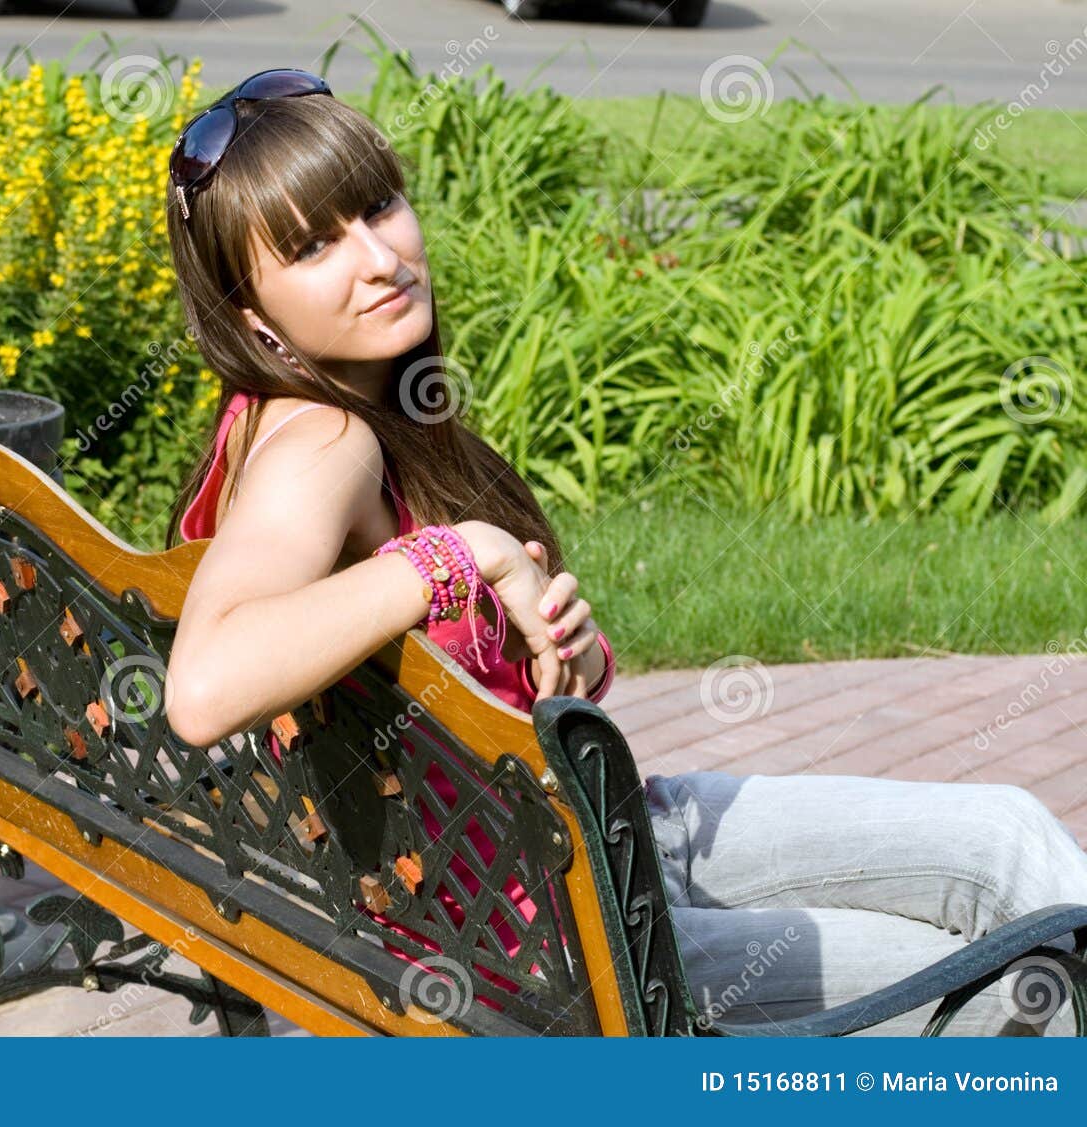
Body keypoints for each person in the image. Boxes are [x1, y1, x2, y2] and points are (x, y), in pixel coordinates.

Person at [157, 68, 1087, 1036]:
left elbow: (436, 666)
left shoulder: (340, 415)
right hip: (528, 938)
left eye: (376, 207)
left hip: (576, 838)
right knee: (1026, 987)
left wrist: (555, 657)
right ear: (252, 314)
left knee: (1004, 834)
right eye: (313, 247)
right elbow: (208, 683)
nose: (378, 256)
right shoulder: (320, 442)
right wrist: (461, 551)